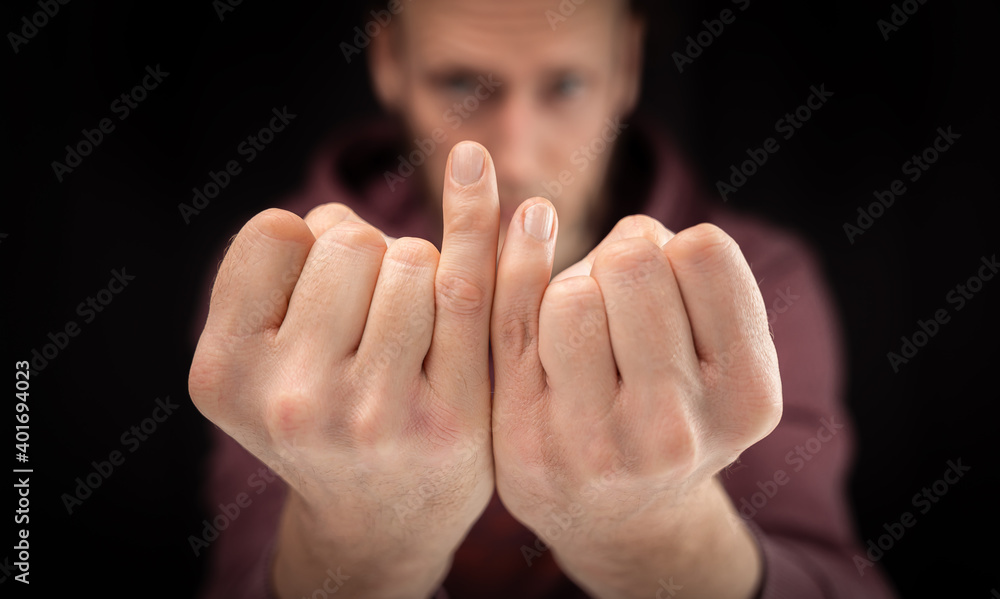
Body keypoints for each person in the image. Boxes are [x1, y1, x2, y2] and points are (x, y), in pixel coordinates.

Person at [187, 1, 898, 597]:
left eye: (564, 87)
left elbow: (835, 573)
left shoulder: (754, 278)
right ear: (388, 63)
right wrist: (359, 544)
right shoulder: (283, 273)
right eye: (464, 84)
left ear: (625, 66)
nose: (518, 155)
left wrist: (659, 536)